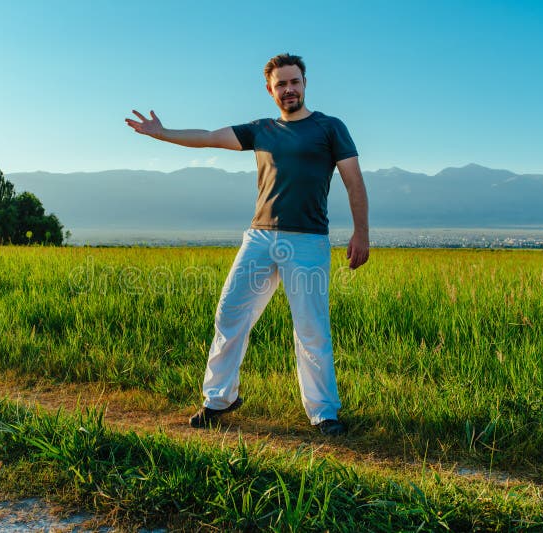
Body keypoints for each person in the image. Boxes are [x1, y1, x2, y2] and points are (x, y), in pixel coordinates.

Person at [125, 53, 369, 436]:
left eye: (294, 82)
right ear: (270, 90)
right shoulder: (261, 129)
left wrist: (361, 233)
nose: (289, 89)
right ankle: (219, 399)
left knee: (311, 327)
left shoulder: (330, 128)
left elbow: (354, 181)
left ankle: (324, 413)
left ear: (305, 83)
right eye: (281, 84)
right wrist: (163, 133)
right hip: (259, 237)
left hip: (307, 241)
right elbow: (207, 138)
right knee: (230, 313)